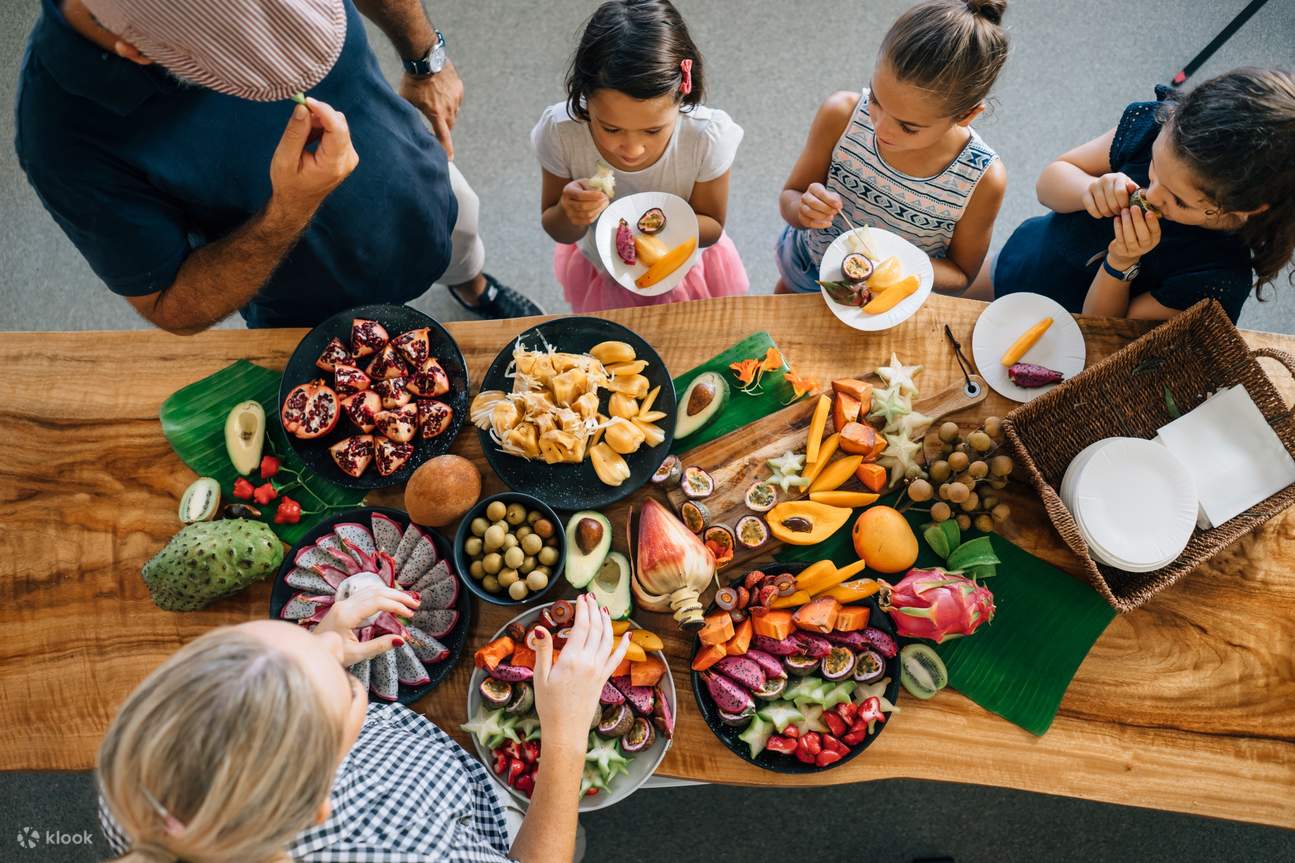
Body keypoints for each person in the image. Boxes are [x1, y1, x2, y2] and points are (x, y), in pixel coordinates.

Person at [15, 0, 541, 331]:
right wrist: (291, 208)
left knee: (461, 239)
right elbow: (169, 304)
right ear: (138, 51)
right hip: (310, 302)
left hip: (424, 183)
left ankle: (474, 289)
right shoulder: (61, 139)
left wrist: (426, 57)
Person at [97, 590, 627, 862]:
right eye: (343, 683)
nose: (331, 646)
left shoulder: (138, 782)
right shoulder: (406, 849)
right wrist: (565, 735)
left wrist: (323, 643)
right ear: (320, 802)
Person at [970, 68, 1295, 323]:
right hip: (1021, 267)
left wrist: (1121, 262)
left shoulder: (1216, 276)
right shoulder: (1153, 126)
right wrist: (1088, 190)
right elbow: (1048, 184)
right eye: (1153, 166)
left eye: (1179, 200)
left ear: (1245, 208)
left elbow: (1107, 331)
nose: (1151, 196)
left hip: (1066, 339)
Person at [775, 0, 1009, 296]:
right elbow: (790, 196)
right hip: (808, 266)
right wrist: (803, 209)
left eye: (908, 127)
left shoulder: (982, 180)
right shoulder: (841, 115)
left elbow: (961, 274)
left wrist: (900, 260)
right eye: (875, 99)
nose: (880, 128)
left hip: (886, 299)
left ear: (966, 116)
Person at [532, 0, 748, 312]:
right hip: (604, 267)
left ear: (682, 98)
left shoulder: (705, 138)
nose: (632, 149)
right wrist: (569, 212)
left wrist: (659, 225)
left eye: (653, 131)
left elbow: (712, 225)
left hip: (684, 265)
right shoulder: (562, 133)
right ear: (584, 97)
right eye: (610, 128)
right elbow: (557, 229)